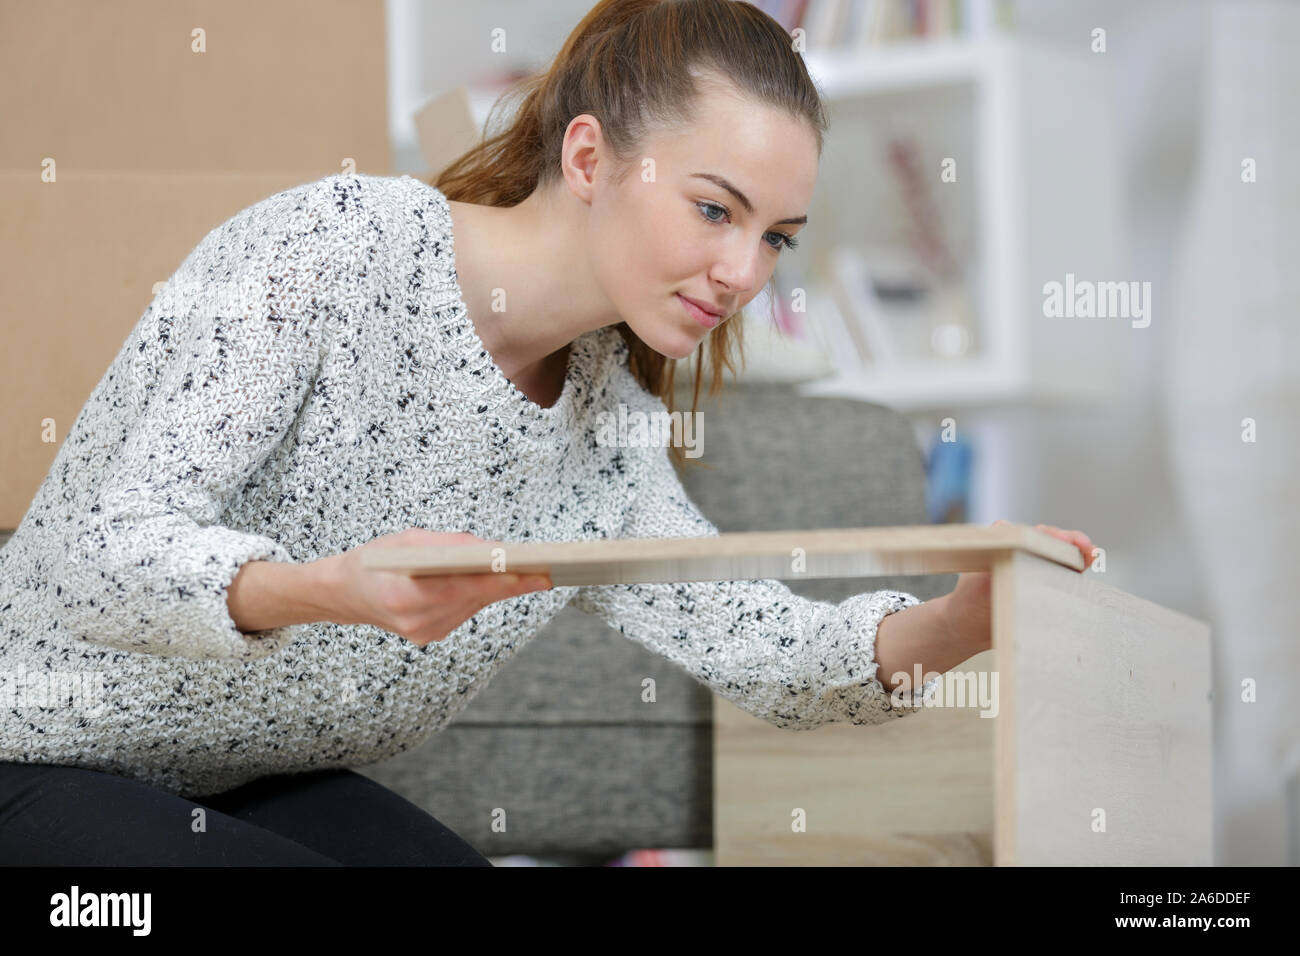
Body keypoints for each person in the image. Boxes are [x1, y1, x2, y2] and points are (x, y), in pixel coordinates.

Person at [0, 0, 1094, 866]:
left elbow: (762, 642)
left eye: (777, 239)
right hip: (32, 746)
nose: (742, 272)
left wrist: (960, 620)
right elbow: (96, 553)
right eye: (715, 209)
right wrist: (330, 586)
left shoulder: (606, 425)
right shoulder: (340, 247)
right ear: (585, 160)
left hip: (234, 776)